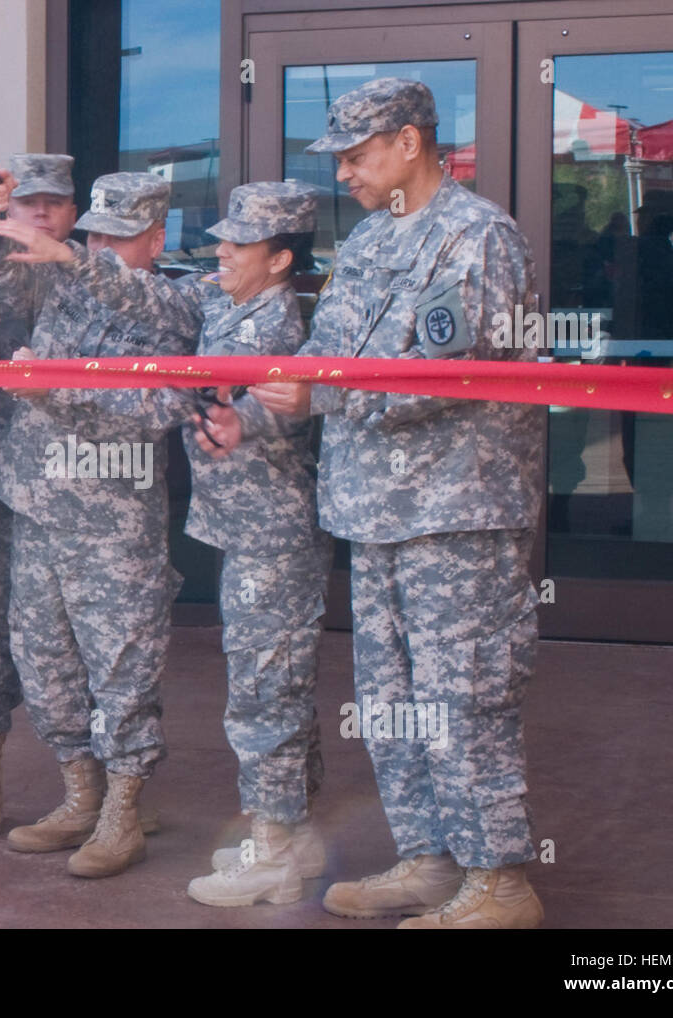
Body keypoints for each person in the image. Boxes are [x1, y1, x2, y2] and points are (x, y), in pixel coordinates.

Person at [203, 78, 546, 928]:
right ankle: (430, 859)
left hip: (455, 514)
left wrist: (320, 397)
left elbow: (439, 380)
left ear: (409, 142)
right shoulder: (365, 247)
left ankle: (499, 880)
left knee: (463, 695)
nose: (345, 175)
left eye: (356, 157)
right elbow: (323, 353)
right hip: (371, 509)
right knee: (394, 702)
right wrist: (260, 407)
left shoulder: (474, 238)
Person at [0, 181, 333, 906]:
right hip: (218, 525)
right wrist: (41, 246)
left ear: (278, 259)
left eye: (237, 243)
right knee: (255, 689)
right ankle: (279, 833)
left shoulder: (275, 324)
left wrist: (56, 391)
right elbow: (145, 305)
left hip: (258, 532)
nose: (221, 252)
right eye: (94, 236)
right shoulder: (217, 302)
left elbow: (193, 402)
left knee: (260, 693)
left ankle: (265, 841)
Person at [0, 170, 198, 877]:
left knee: (123, 671)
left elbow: (160, 406)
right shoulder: (60, 289)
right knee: (46, 665)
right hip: (41, 509)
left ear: (156, 238)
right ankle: (80, 795)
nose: (104, 250)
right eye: (95, 237)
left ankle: (125, 810)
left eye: (121, 238)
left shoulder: (172, 305)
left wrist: (62, 386)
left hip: (113, 524)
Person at [0, 154, 78, 837]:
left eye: (53, 204)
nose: (39, 216)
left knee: (78, 649)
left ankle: (94, 791)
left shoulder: (91, 278)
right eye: (25, 204)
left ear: (72, 213)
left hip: (68, 494)